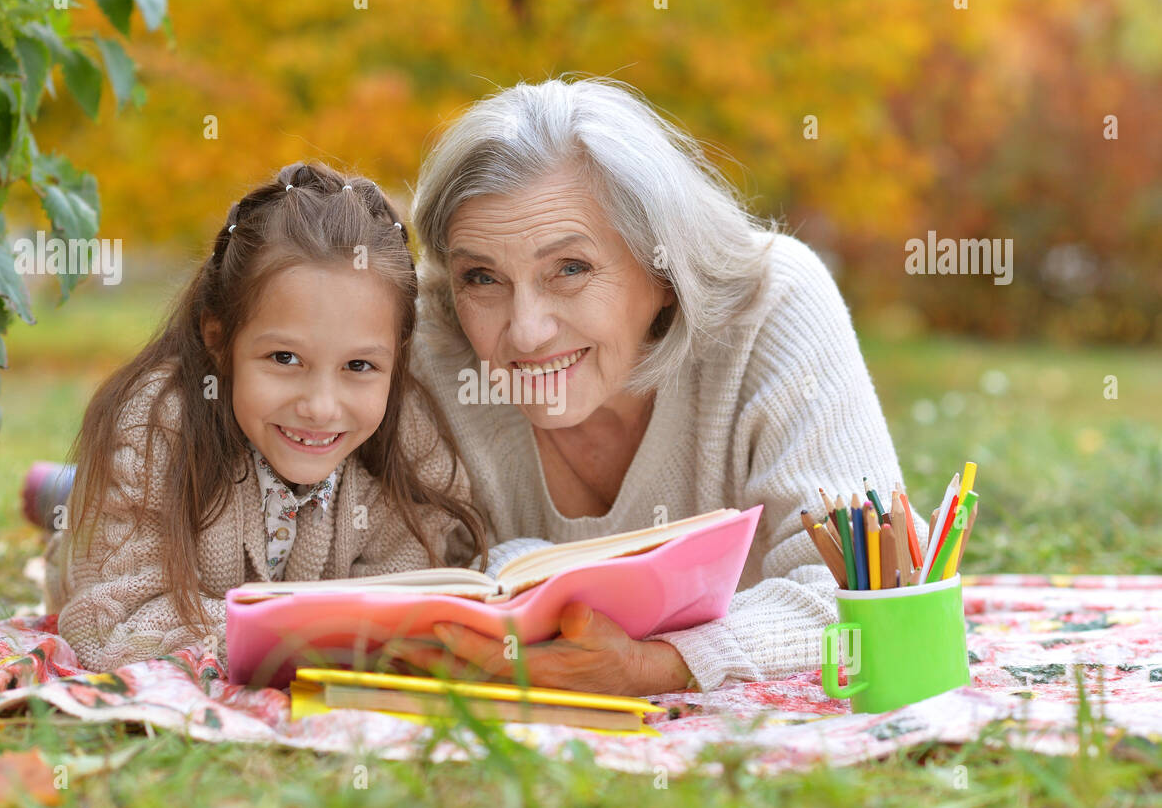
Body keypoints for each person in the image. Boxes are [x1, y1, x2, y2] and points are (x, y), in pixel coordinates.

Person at [384, 76, 929, 696]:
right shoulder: (425, 346)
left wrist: (657, 664)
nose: (527, 332)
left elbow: (867, 590)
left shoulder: (773, 305)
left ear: (664, 268)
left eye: (570, 268)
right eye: (482, 277)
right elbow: (392, 575)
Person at [39, 161, 487, 672]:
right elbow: (108, 629)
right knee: (84, 511)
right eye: (284, 359)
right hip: (122, 529)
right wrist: (305, 635)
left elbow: (409, 590)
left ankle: (54, 486)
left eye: (359, 365)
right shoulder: (156, 426)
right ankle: (60, 495)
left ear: (396, 356)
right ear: (219, 340)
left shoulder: (406, 437)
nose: (320, 407)